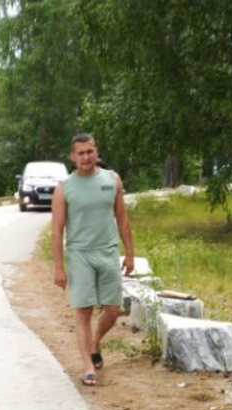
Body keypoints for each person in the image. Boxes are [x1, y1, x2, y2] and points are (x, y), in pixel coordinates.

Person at [51, 133, 135, 386]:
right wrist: (58, 266)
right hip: (80, 254)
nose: (86, 157)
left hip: (108, 250)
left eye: (90, 152)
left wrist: (129, 253)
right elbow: (57, 229)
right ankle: (88, 366)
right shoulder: (64, 188)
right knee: (83, 311)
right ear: (72, 157)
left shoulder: (112, 180)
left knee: (112, 309)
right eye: (81, 153)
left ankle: (95, 342)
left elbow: (122, 218)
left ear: (96, 152)